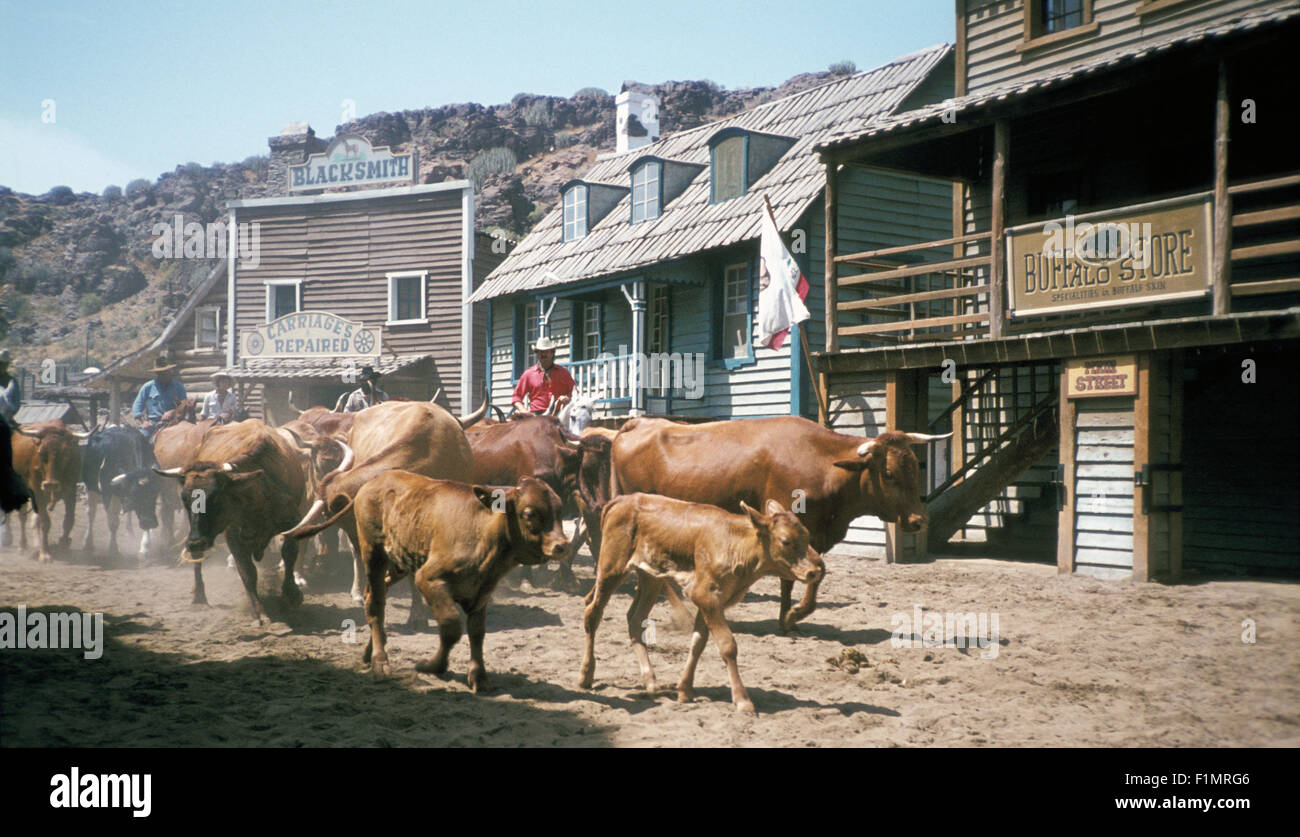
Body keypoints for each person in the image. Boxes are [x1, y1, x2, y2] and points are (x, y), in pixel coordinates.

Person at [512, 335, 574, 415]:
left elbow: (574, 394)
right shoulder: (529, 374)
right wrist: (523, 410)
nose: (542, 354)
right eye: (540, 352)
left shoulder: (563, 373)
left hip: (559, 414)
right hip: (536, 416)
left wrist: (568, 399)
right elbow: (516, 397)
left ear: (552, 353)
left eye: (546, 352)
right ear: (537, 354)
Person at [132, 356, 188, 436]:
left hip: (174, 422)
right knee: (142, 438)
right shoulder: (148, 387)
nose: (164, 374)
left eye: (166, 371)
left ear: (170, 371)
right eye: (161, 372)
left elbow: (184, 404)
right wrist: (144, 422)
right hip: (153, 424)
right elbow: (137, 406)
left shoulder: (178, 387)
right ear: (156, 373)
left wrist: (172, 411)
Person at [0, 349, 20, 428]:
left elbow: (16, 402)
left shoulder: (11, 381)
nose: (3, 366)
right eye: (1, 364)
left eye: (5, 364)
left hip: (6, 417)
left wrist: (10, 413)